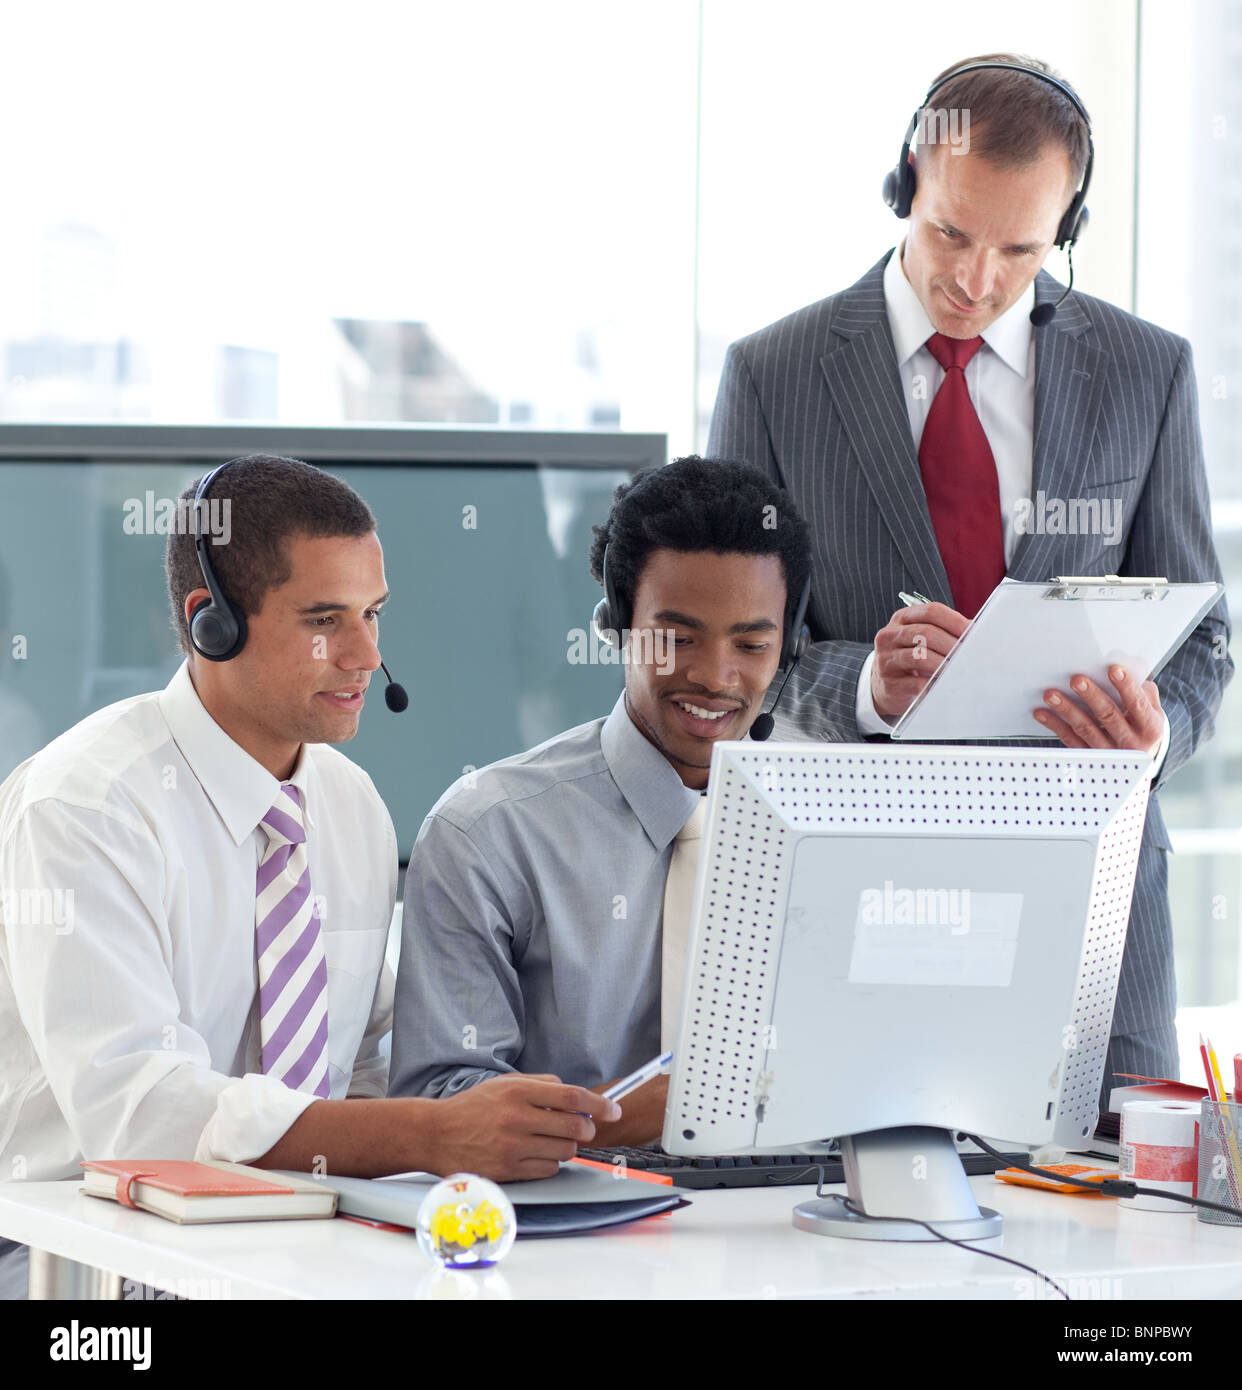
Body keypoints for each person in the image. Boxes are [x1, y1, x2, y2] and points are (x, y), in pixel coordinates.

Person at [707, 55, 1233, 1101]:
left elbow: (1207, 644)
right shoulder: (772, 374)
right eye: (951, 231)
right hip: (858, 888)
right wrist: (864, 687)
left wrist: (1155, 729)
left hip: (1098, 901)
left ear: (1066, 232)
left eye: (1022, 248)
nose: (977, 278)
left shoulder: (1148, 372)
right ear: (908, 179)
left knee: (1109, 1221)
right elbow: (726, 660)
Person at [0, 454, 615, 1299]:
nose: (367, 654)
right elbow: (137, 1114)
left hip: (290, 1238)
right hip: (84, 1248)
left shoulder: (348, 803)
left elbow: (364, 1055)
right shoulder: (87, 805)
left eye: (374, 613)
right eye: (326, 619)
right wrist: (430, 1136)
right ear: (211, 620)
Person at [389, 456, 813, 1148]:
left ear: (788, 649)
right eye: (675, 639)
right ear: (614, 624)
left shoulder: (841, 811)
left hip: (805, 1220)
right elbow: (442, 1107)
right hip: (574, 1236)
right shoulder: (487, 832)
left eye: (751, 644)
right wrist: (645, 1113)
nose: (713, 676)